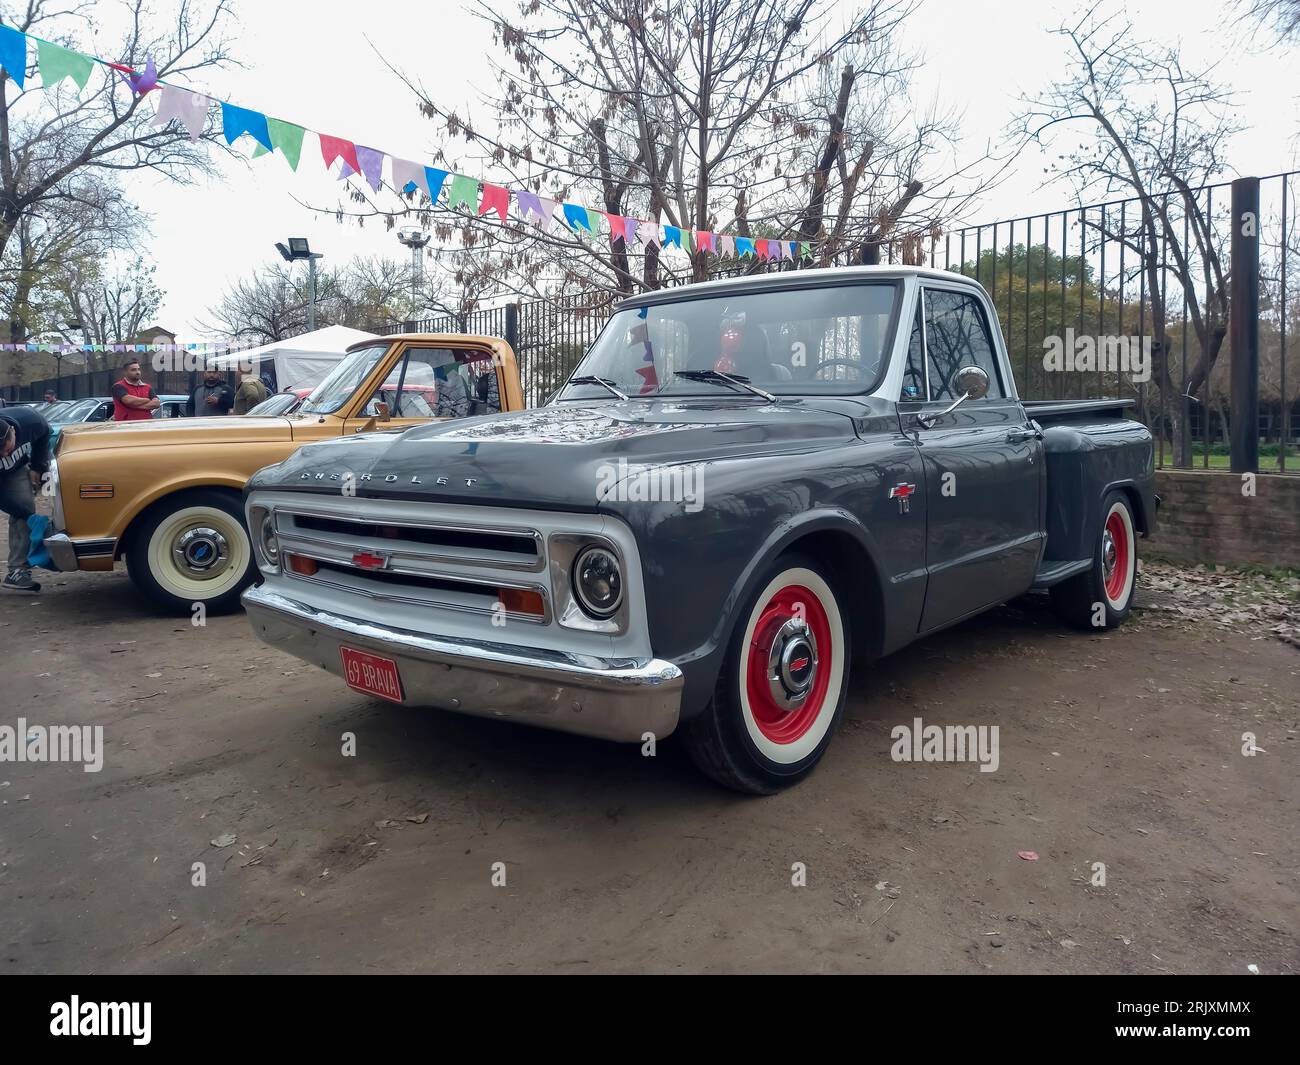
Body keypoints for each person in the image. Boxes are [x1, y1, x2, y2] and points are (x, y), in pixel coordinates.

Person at [0, 404, 50, 593]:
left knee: (25, 507)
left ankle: (17, 571)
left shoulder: (31, 420)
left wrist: (37, 466)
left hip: (17, 470)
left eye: (6, 449)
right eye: (0, 454)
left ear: (12, 432)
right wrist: (27, 514)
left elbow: (45, 433)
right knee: (24, 512)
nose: (4, 455)